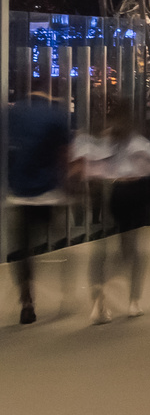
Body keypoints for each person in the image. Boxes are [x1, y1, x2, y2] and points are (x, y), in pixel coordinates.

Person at [76, 101, 150, 324]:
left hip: (108, 194)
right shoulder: (136, 140)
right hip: (132, 195)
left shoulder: (104, 139)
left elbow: (88, 166)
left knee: (101, 249)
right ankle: (134, 301)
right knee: (132, 248)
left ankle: (99, 298)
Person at [7, 92, 73, 325]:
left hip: (20, 192)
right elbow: (64, 153)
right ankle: (66, 289)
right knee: (58, 236)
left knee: (23, 249)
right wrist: (67, 185)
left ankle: (27, 300)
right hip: (48, 191)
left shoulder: (13, 113)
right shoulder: (56, 115)